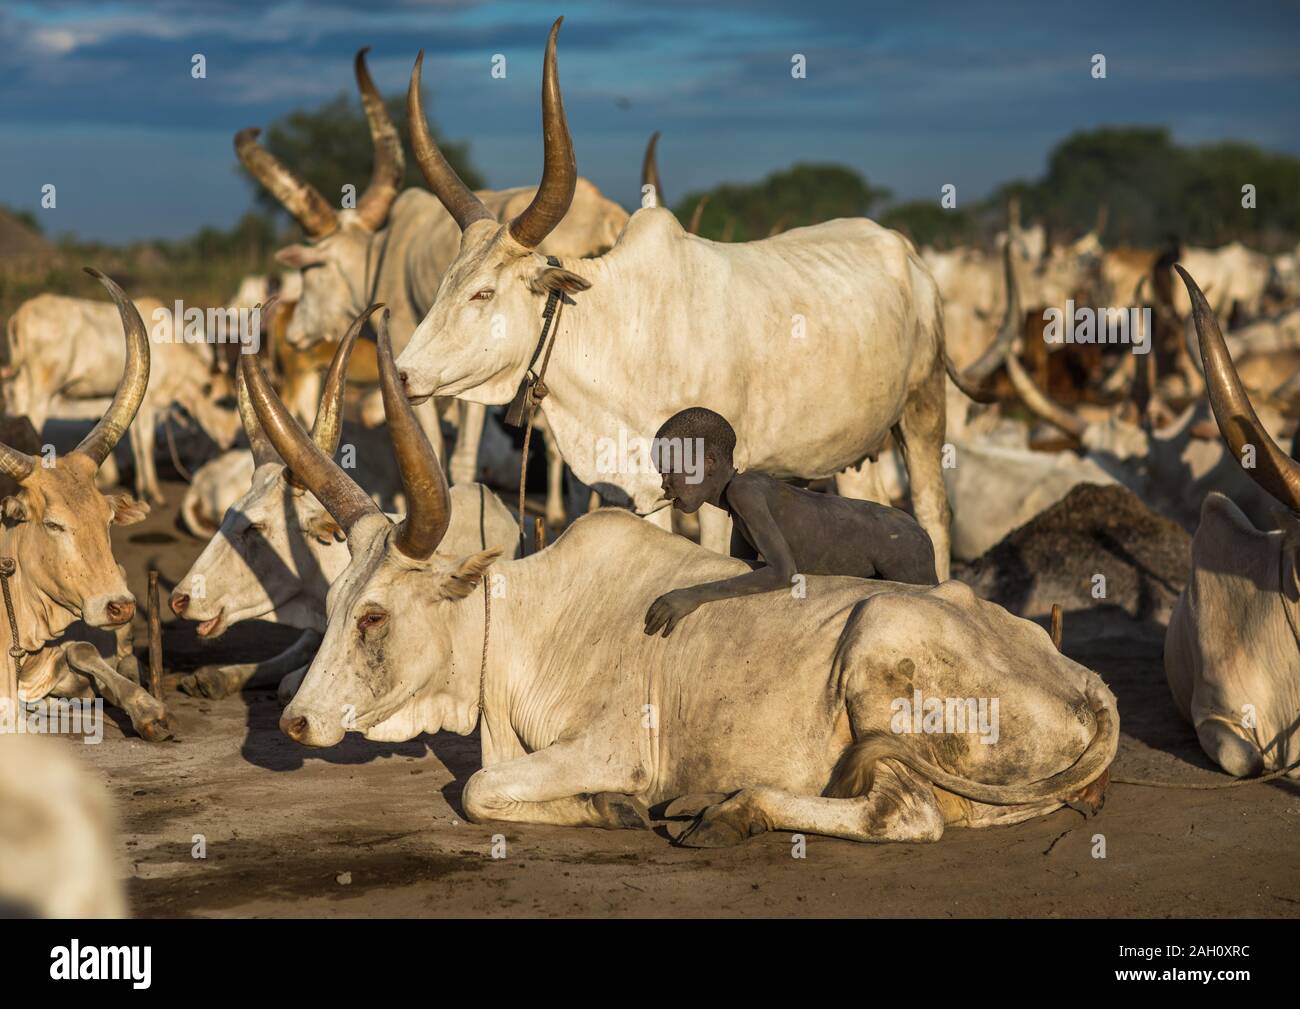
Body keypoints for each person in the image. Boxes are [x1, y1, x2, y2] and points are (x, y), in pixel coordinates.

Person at [643, 407, 938, 637]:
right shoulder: (741, 500)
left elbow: (783, 574)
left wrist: (692, 595)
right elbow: (740, 572)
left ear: (707, 463)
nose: (664, 485)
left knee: (935, 621)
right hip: (893, 536)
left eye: (671, 471)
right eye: (661, 475)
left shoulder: (743, 491)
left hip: (896, 543)